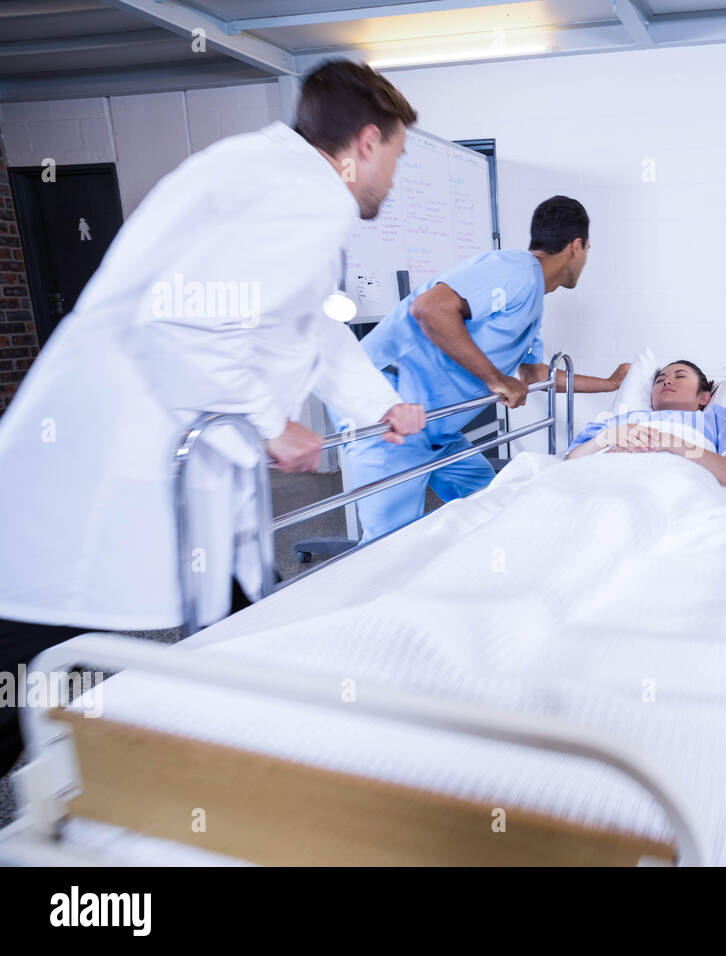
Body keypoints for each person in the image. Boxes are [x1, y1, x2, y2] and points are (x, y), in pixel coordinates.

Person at [0, 60, 428, 777]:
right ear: (364, 143)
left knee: (219, 607)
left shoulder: (274, 175)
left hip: (161, 456)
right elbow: (186, 323)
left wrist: (377, 404)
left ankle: (240, 749)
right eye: (396, 156)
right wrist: (271, 424)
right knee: (36, 654)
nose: (393, 176)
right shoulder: (308, 196)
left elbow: (307, 326)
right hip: (107, 459)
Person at [338, 196, 629, 540]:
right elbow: (430, 309)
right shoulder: (514, 270)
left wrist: (611, 384)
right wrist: (496, 379)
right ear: (576, 246)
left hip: (436, 429)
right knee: (390, 548)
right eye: (588, 249)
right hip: (391, 416)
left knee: (494, 502)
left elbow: (536, 376)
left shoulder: (533, 299)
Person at [565, 360, 726, 489]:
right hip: (611, 484)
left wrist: (670, 442)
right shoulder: (620, 419)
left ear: (704, 397)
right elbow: (569, 464)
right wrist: (606, 438)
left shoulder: (717, 419)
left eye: (680, 376)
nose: (667, 381)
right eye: (660, 380)